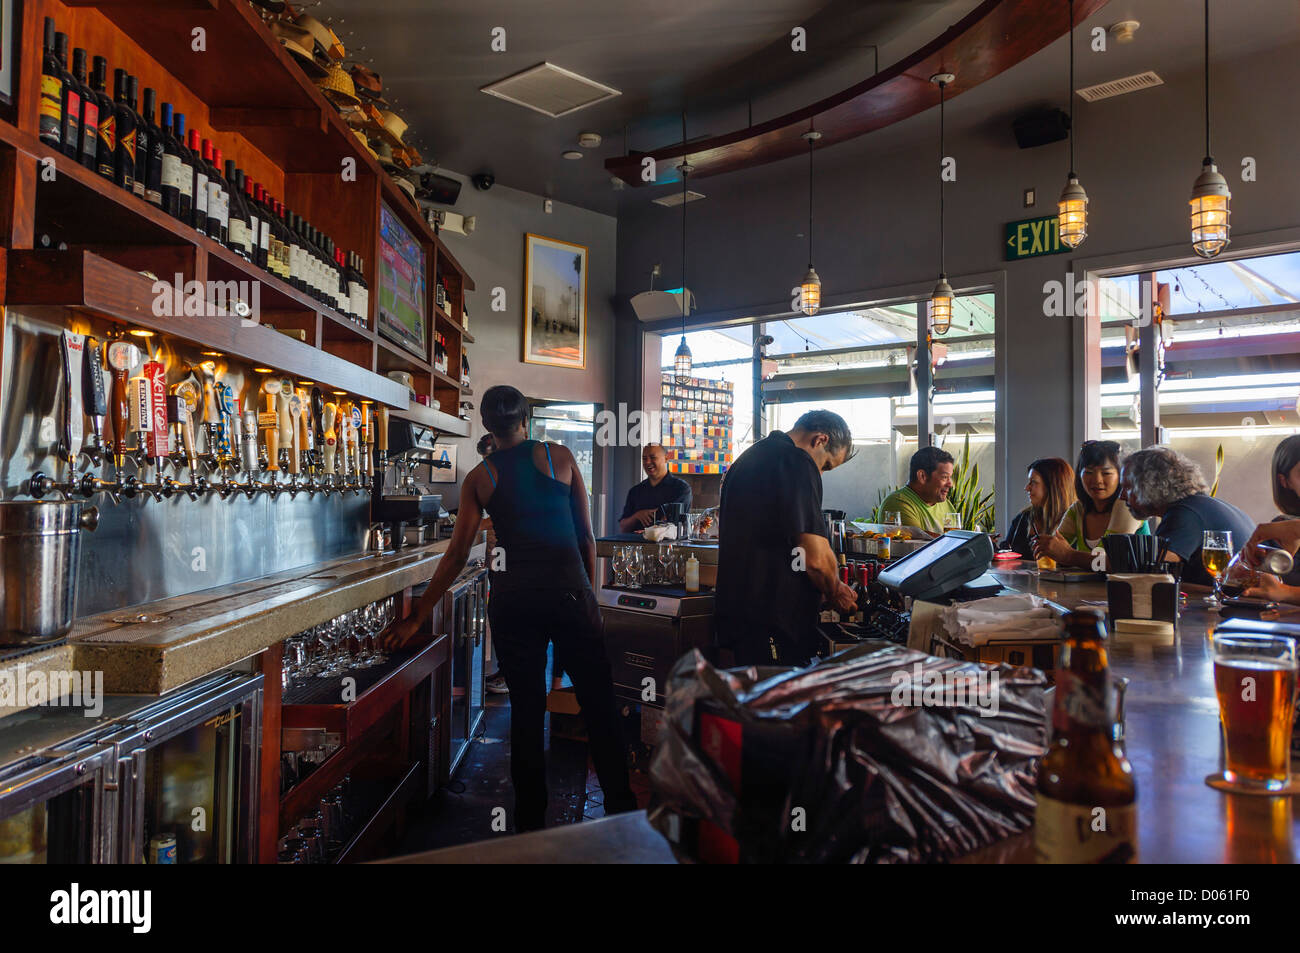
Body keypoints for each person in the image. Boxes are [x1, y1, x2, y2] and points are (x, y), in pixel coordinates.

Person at [385, 385, 635, 832]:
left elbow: (457, 554)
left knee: (526, 711)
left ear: (486, 426)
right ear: (527, 419)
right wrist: (591, 599)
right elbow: (587, 539)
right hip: (570, 594)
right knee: (598, 703)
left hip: (515, 602)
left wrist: (417, 616)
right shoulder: (558, 456)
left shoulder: (480, 478)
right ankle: (623, 811)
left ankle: (529, 828)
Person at [715, 410, 858, 667]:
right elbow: (814, 557)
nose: (821, 474)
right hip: (774, 623)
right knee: (781, 704)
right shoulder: (797, 461)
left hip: (739, 619)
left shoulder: (749, 458)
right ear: (820, 440)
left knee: (753, 703)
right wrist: (836, 590)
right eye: (825, 465)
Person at [1119, 446, 1254, 588]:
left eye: (1127, 488)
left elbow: (1148, 570)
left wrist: (1098, 562)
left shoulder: (1184, 513)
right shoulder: (1202, 505)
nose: (1121, 496)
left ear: (1150, 485)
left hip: (1233, 604)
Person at [1034, 440, 1148, 569]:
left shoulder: (1126, 506)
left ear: (1121, 476)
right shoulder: (1078, 508)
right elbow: (1055, 550)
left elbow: (1112, 563)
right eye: (1088, 472)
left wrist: (1069, 556)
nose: (1097, 480)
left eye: (1106, 473)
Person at [1003, 458, 1074, 558]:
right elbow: (1006, 554)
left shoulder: (1075, 521)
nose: (1027, 488)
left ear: (1052, 487)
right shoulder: (1022, 519)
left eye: (1033, 482)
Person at [878, 447, 955, 536]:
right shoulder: (897, 503)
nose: (950, 484)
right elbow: (920, 542)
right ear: (922, 476)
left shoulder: (946, 504)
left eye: (950, 477)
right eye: (945, 477)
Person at [618, 443, 692, 531]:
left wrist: (650, 531)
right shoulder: (635, 491)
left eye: (653, 457)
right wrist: (637, 516)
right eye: (644, 458)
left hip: (669, 544)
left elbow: (675, 523)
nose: (648, 462)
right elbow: (623, 527)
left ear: (666, 458)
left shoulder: (681, 488)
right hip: (636, 543)